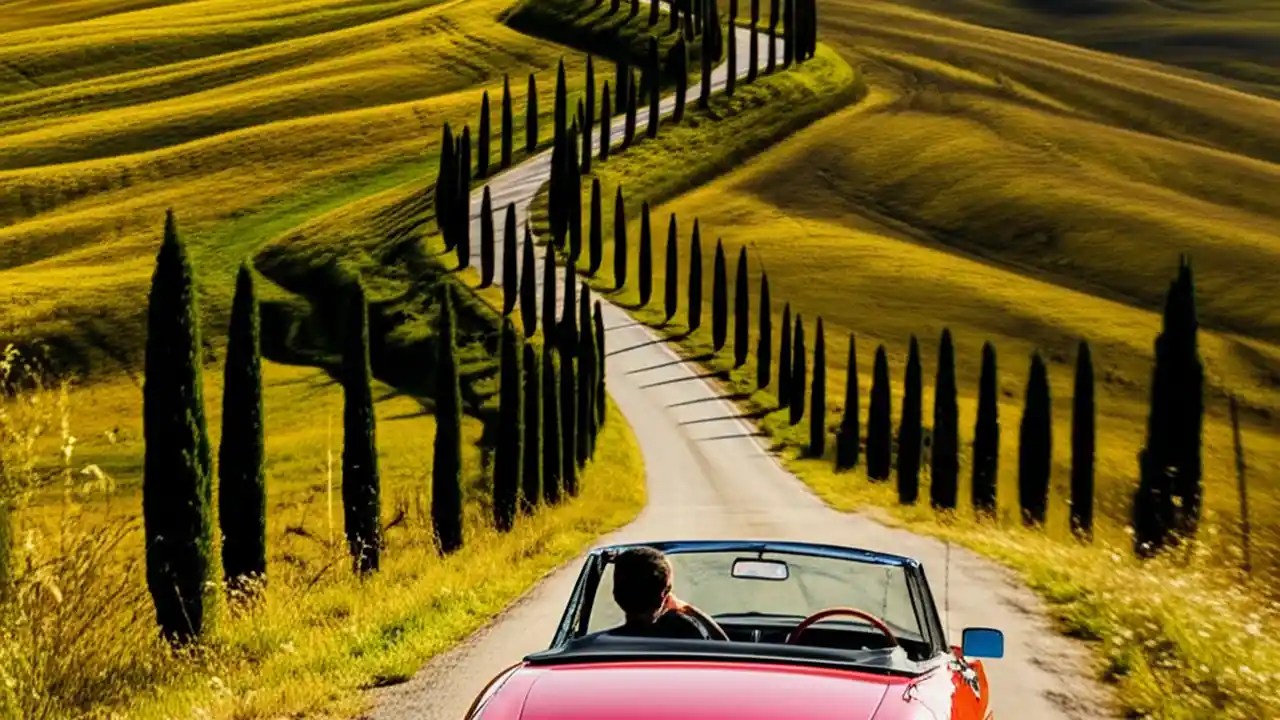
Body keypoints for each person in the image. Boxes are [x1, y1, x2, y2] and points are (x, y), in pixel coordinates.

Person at [604, 546, 712, 640]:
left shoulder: (595, 646)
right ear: (664, 597)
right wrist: (689, 610)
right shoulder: (690, 637)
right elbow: (723, 650)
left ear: (616, 594)